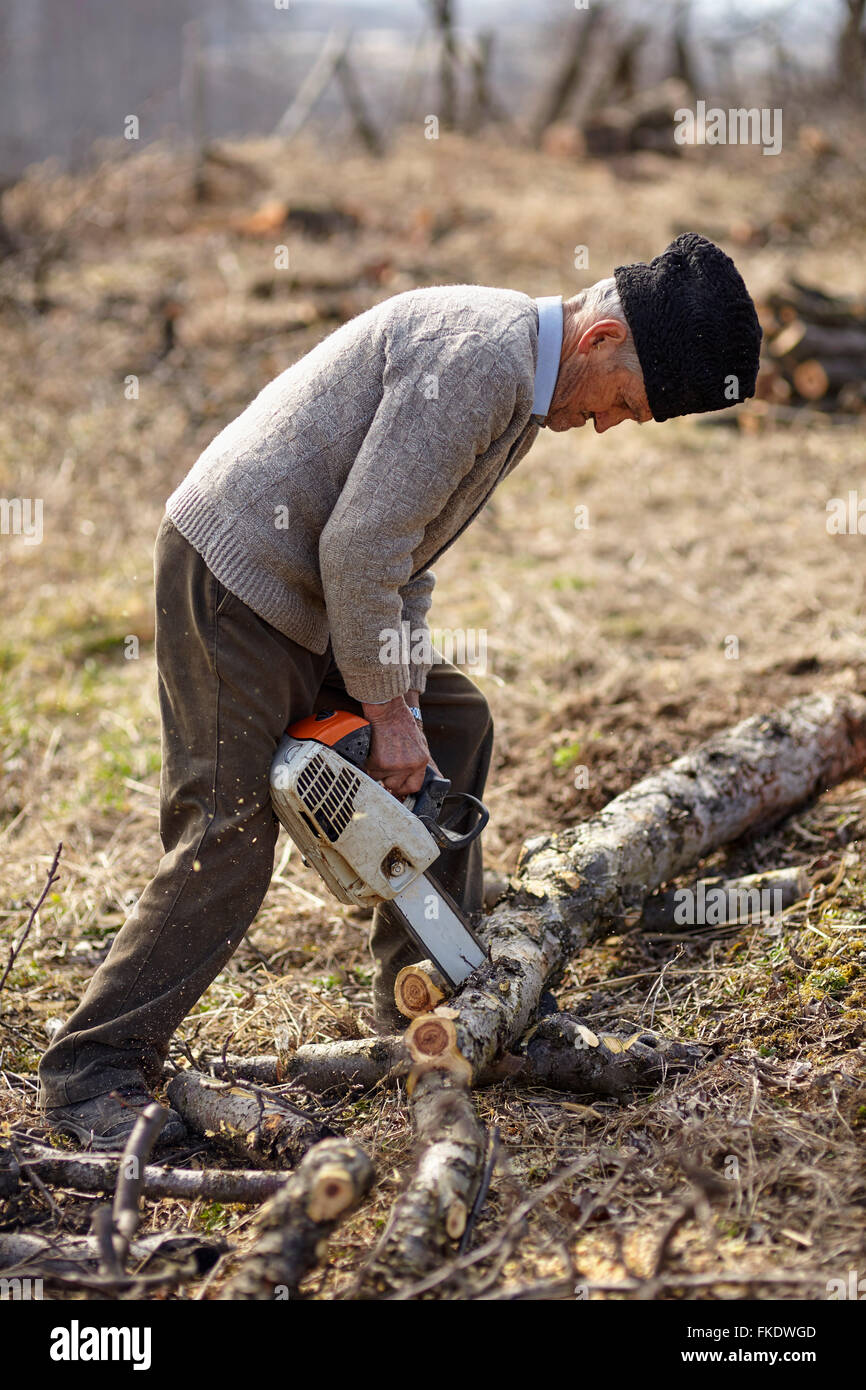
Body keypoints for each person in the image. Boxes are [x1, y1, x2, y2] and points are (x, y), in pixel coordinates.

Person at [39, 232, 762, 1149]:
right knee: (226, 829)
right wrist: (383, 713)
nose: (613, 425)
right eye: (627, 403)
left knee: (453, 724)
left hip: (316, 589)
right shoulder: (480, 360)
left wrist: (407, 709)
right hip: (238, 576)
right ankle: (92, 1072)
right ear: (603, 338)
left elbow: (402, 557)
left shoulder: (524, 386)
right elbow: (359, 551)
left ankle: (431, 1000)